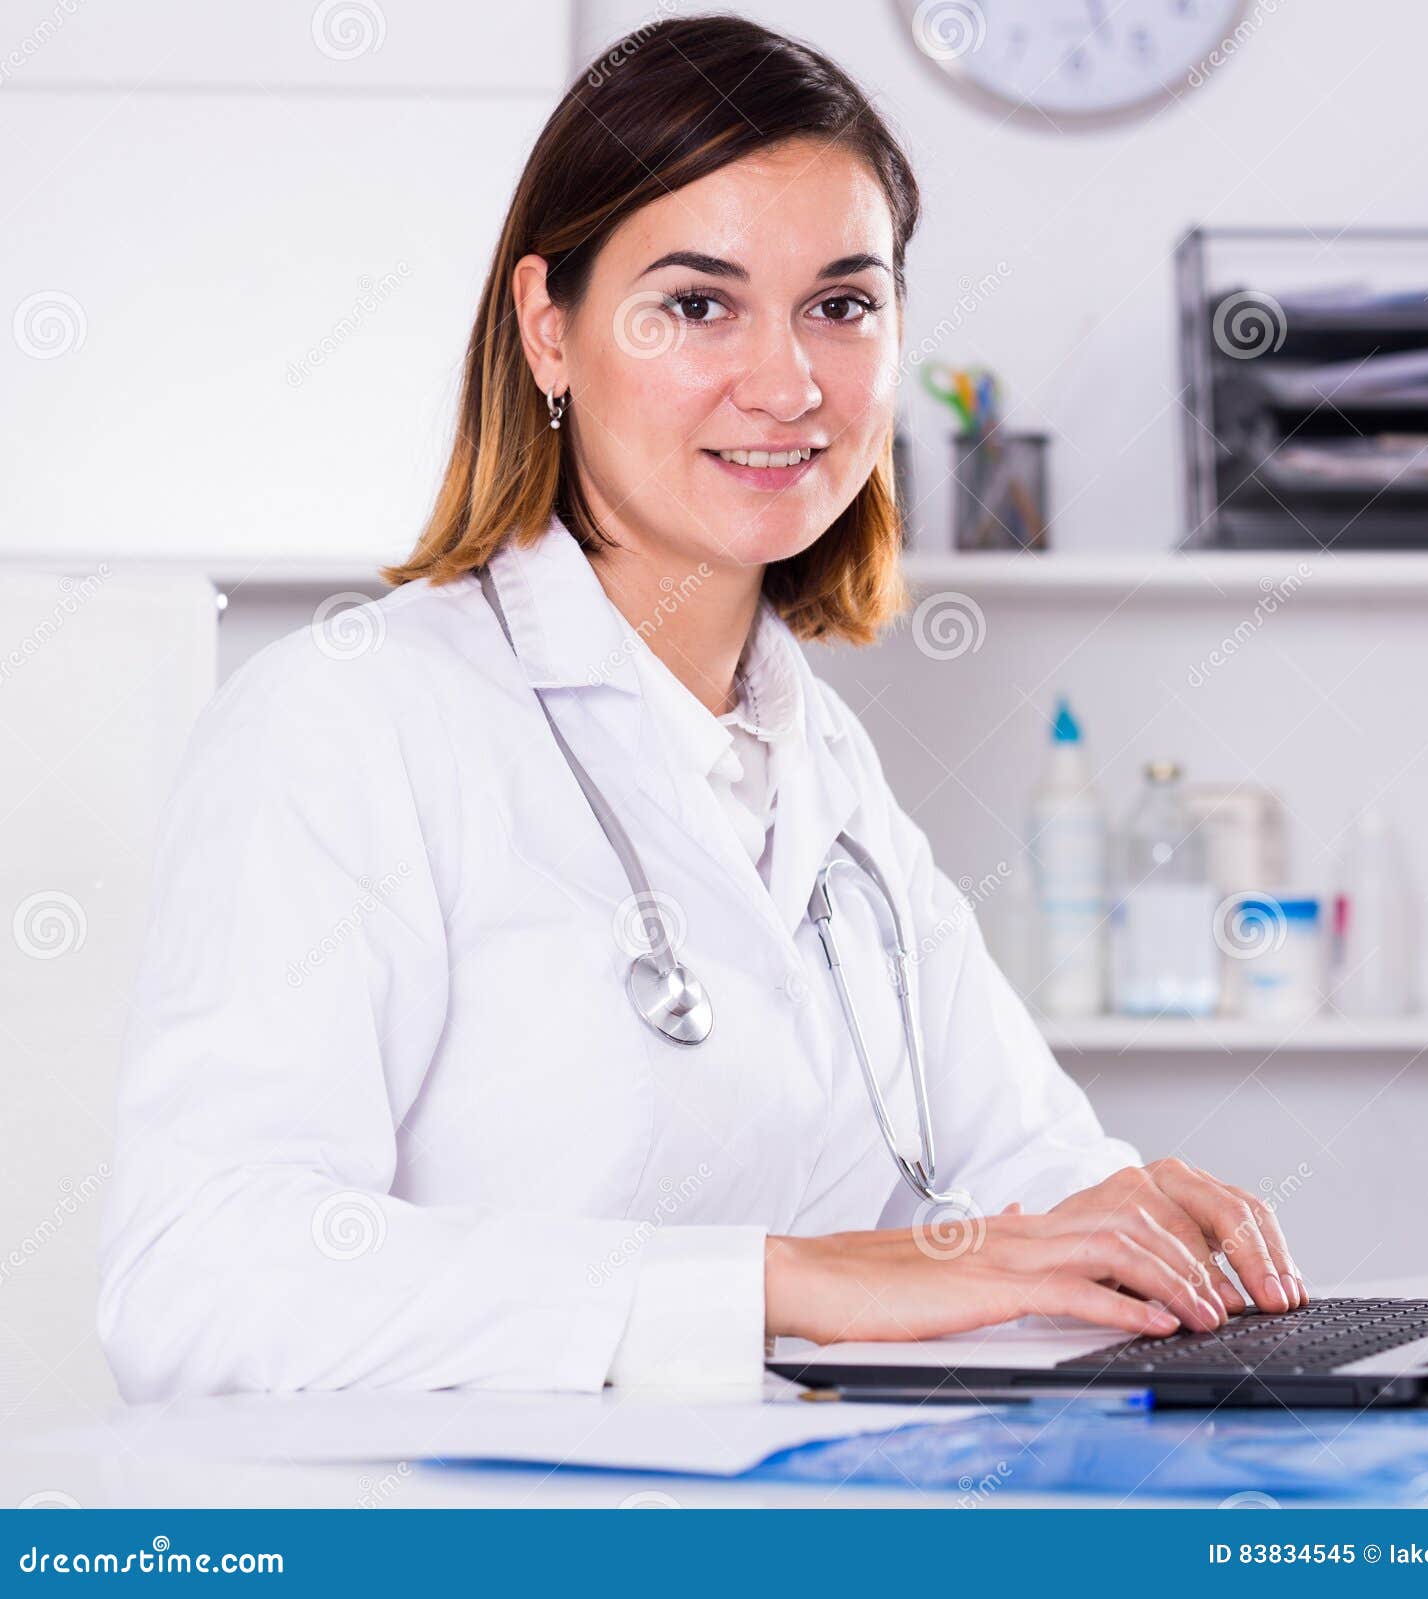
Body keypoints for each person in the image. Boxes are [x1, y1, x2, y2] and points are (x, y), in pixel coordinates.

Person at [98, 15, 1304, 1401]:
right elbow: (196, 1284)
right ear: (549, 330)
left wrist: (1131, 1224)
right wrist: (778, 1281)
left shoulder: (816, 757)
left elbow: (1017, 1165)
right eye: (695, 305)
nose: (787, 385)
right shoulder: (348, 719)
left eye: (842, 307)